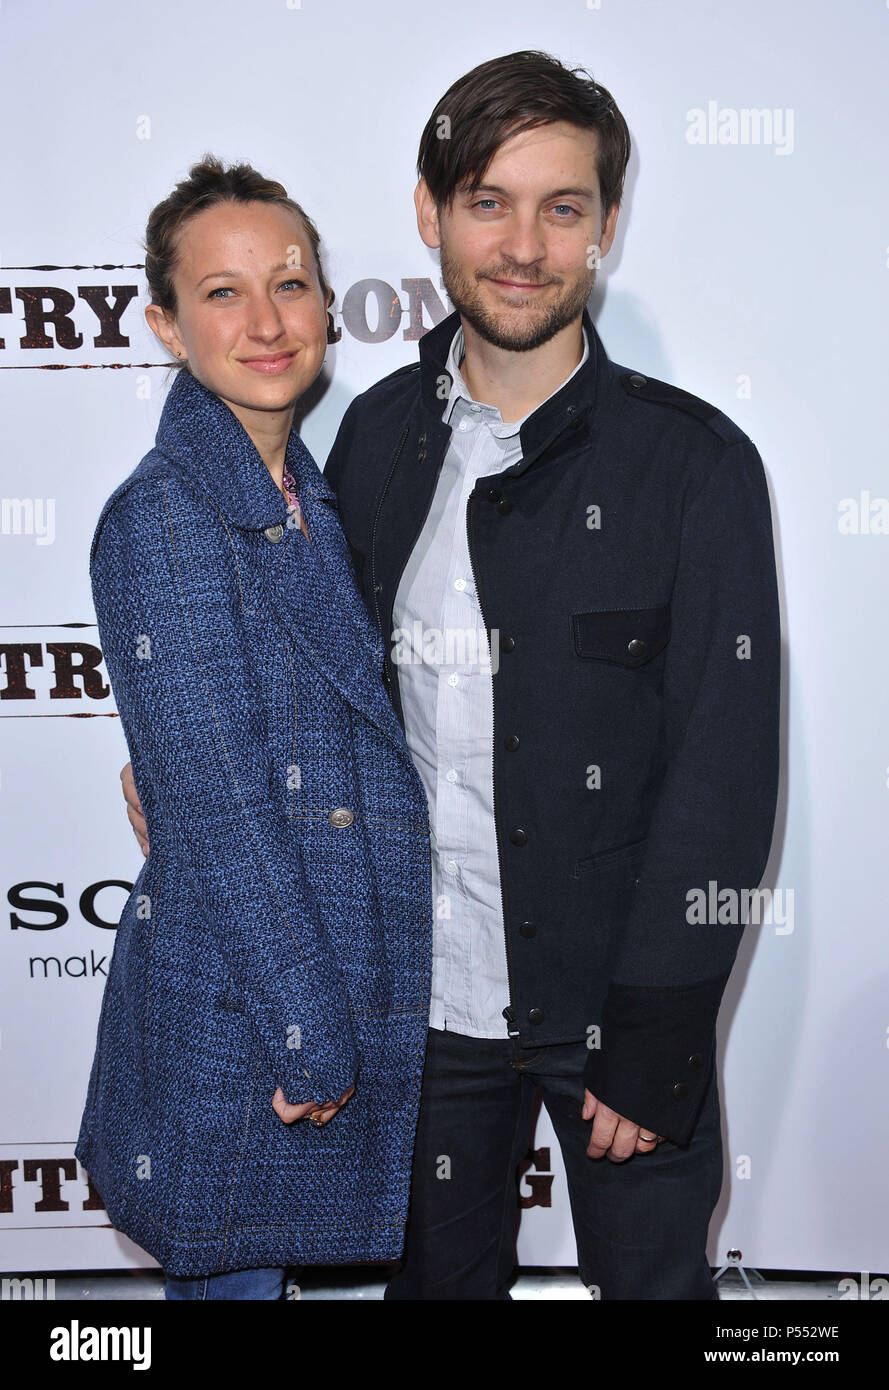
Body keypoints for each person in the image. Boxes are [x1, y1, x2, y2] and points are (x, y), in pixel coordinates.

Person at [123, 50, 781, 1300]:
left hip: (614, 1011)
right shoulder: (371, 440)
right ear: (429, 213)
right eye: (487, 199)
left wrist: (656, 1039)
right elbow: (314, 677)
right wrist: (167, 749)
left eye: (563, 207)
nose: (523, 244)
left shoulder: (694, 465)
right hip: (413, 1009)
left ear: (606, 227)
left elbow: (725, 774)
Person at [76, 155, 432, 1300]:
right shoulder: (172, 514)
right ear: (166, 326)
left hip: (290, 992)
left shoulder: (301, 497)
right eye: (222, 293)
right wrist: (311, 1036)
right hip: (253, 1023)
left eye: (290, 282)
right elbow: (225, 815)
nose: (269, 320)